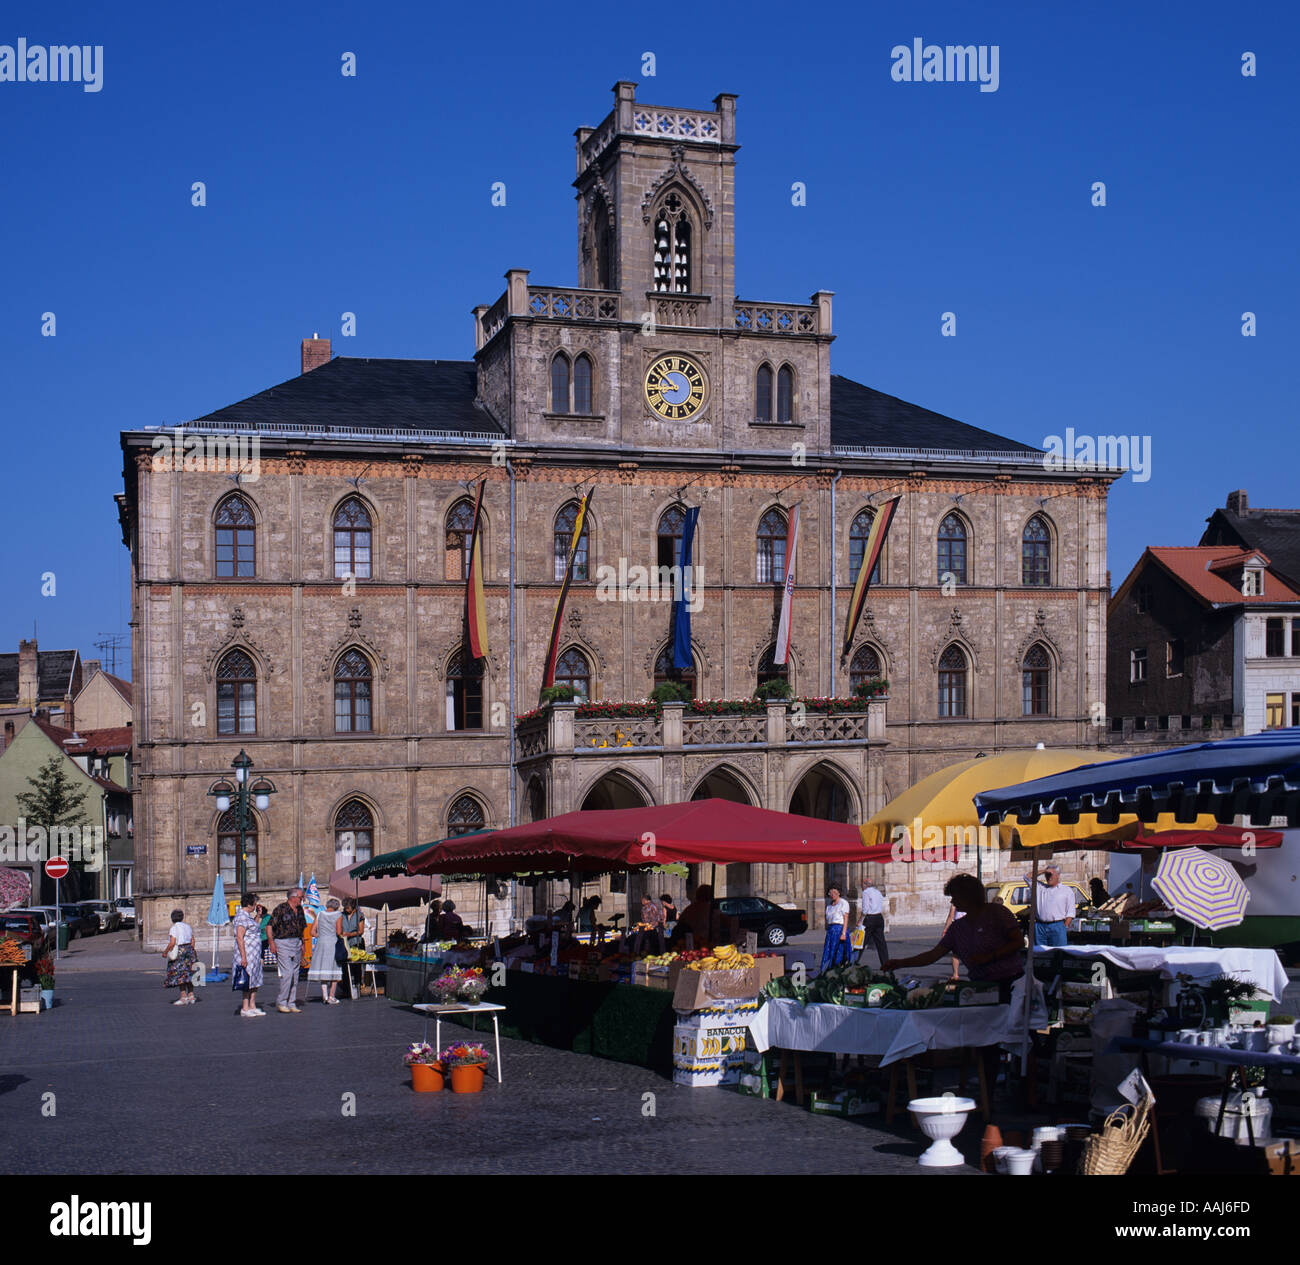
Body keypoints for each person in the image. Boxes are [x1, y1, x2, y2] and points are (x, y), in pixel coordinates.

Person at [884, 874, 1025, 999]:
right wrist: (901, 963)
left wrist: (990, 956)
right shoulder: (957, 928)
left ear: (968, 896)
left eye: (954, 897)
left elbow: (1018, 942)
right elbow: (933, 955)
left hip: (1010, 982)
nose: (952, 902)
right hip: (981, 986)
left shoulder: (997, 912)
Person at [266, 887, 307, 1013]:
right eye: (301, 897)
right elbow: (269, 926)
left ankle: (291, 1002)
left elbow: (302, 927)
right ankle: (282, 1001)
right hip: (282, 942)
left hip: (296, 942)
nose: (303, 899)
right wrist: (271, 942)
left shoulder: (300, 910)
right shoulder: (281, 909)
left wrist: (302, 943)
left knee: (295, 975)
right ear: (293, 897)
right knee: (287, 973)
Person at [232, 893, 265, 1017]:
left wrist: (258, 915)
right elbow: (240, 937)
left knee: (255, 979)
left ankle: (252, 1005)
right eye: (255, 904)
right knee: (247, 980)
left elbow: (254, 928)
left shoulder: (248, 917)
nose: (256, 906)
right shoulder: (241, 917)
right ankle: (245, 1007)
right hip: (247, 954)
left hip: (254, 954)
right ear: (249, 904)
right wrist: (243, 957)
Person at [308, 898, 344, 1004]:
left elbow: (312, 932)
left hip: (321, 943)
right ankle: (331, 996)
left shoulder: (319, 914)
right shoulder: (338, 915)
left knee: (323, 968)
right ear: (336, 907)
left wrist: (322, 935)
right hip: (332, 943)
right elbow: (338, 931)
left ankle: (324, 995)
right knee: (334, 969)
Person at [1030, 866, 1076, 947]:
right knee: (1040, 954)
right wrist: (1044, 871)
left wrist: (1064, 927)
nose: (1049, 877)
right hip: (1040, 926)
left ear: (1058, 875)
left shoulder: (1066, 890)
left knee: (1058, 953)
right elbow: (1026, 877)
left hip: (1057, 926)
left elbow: (1070, 912)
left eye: (1051, 874)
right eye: (1047, 875)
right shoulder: (1040, 887)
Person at [162, 909, 197, 1005]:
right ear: (182, 917)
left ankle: (183, 997)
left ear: (172, 918)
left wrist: (165, 952)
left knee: (180, 974)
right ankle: (191, 996)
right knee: (189, 974)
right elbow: (193, 940)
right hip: (189, 950)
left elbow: (172, 942)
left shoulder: (174, 928)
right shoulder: (188, 927)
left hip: (180, 952)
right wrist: (191, 951)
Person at [338, 898, 367, 999]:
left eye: (348, 908)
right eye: (345, 908)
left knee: (356, 966)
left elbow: (361, 931)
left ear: (353, 907)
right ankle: (346, 989)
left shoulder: (360, 916)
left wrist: (350, 934)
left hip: (356, 942)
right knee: (345, 967)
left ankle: (357, 986)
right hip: (345, 943)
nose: (346, 910)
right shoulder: (341, 915)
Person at [857, 881, 889, 968]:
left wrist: (860, 920)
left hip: (870, 918)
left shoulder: (866, 892)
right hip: (879, 917)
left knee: (861, 942)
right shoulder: (878, 892)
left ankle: (854, 962)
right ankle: (886, 964)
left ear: (865, 885)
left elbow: (865, 909)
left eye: (862, 885)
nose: (862, 887)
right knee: (881, 943)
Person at [821, 886, 851, 972]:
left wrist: (844, 933)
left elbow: (846, 918)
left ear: (839, 893)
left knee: (839, 952)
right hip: (831, 930)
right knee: (829, 951)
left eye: (834, 892)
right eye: (831, 893)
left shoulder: (843, 903)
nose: (832, 894)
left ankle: (839, 969)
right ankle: (828, 970)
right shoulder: (829, 906)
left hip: (839, 930)